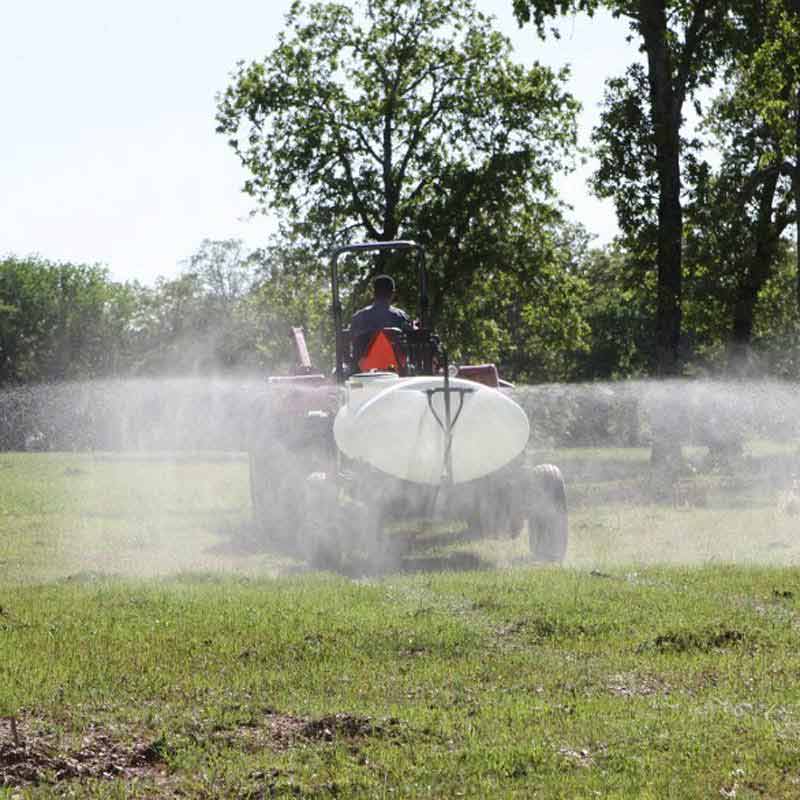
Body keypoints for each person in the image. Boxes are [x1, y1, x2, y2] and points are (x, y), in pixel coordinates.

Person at [349, 274, 411, 339]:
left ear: (374, 292)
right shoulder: (402, 317)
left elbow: (352, 342)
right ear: (392, 294)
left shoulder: (358, 317)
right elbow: (411, 343)